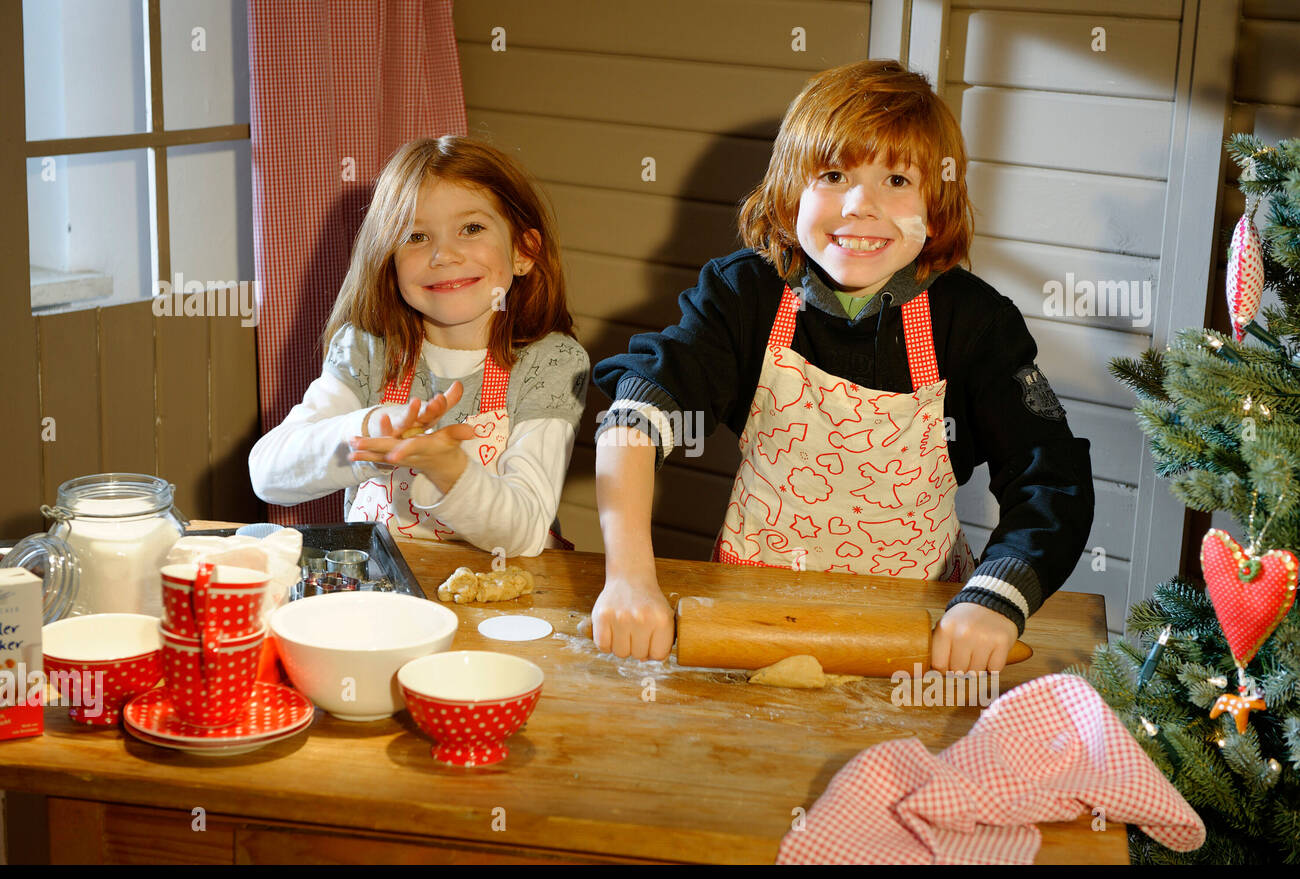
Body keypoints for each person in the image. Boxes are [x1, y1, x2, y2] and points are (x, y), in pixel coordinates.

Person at [590, 60, 1094, 672]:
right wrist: (629, 578)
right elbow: (634, 422)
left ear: (937, 204)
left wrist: (995, 600)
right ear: (788, 190)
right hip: (751, 624)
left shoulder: (974, 322)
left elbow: (1050, 478)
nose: (861, 205)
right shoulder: (744, 296)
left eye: (898, 181)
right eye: (833, 174)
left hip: (922, 634)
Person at [249, 136, 589, 555]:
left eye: (471, 228)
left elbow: (523, 534)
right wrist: (371, 430)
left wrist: (446, 467)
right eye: (415, 236)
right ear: (387, 258)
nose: (443, 255)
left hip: (505, 601)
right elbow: (268, 475)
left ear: (524, 250)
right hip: (384, 599)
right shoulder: (368, 349)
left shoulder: (550, 363)